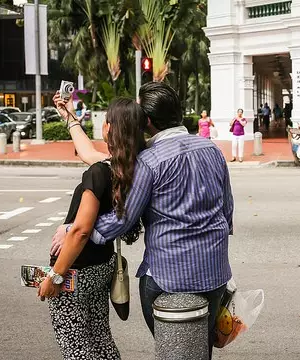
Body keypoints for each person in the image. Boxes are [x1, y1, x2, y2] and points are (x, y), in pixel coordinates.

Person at [51, 82, 233, 359]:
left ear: (146, 121)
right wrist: (71, 120)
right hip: (216, 272)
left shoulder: (149, 161)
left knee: (171, 344)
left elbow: (124, 220)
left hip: (167, 276)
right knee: (200, 346)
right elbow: (227, 209)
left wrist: (74, 229)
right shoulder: (211, 149)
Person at [39, 96, 147, 360]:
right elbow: (88, 153)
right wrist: (70, 117)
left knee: (76, 347)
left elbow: (81, 231)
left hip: (76, 271)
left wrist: (55, 276)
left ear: (109, 128)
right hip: (101, 267)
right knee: (100, 338)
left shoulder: (99, 173)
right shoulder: (131, 168)